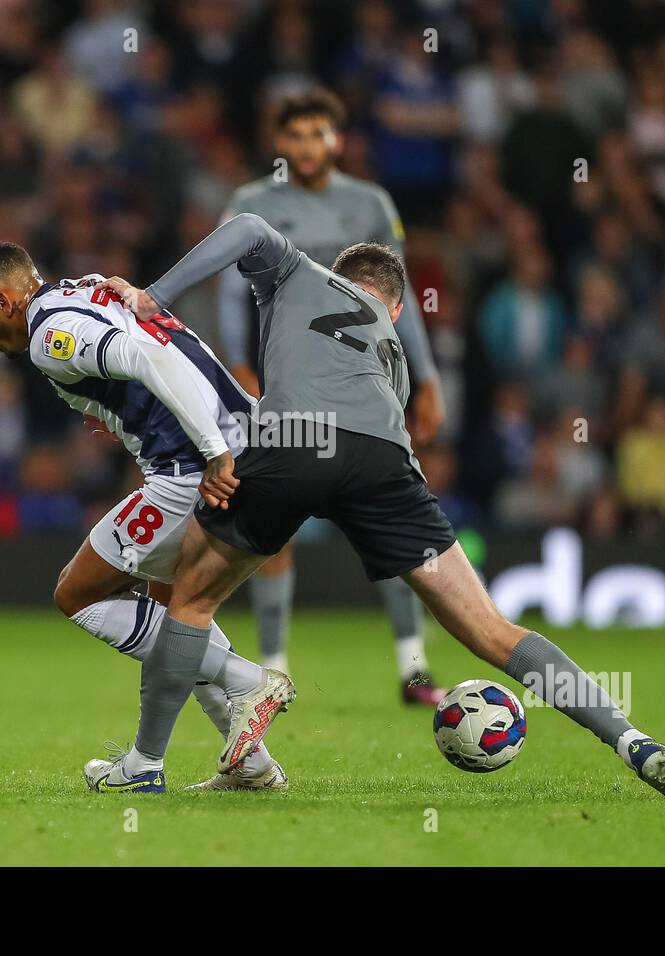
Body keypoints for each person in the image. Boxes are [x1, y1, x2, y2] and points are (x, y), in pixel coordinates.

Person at [90, 214, 665, 800]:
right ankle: (636, 744)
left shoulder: (299, 273)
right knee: (494, 632)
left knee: (191, 600)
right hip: (384, 462)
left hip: (294, 443)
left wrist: (153, 294)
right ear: (393, 306)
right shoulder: (393, 354)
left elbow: (248, 228)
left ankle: (144, 766)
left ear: (343, 277)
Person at [0, 241, 292, 792]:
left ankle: (246, 681)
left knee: (79, 593)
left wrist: (215, 450)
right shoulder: (82, 288)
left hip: (195, 474)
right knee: (179, 610)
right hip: (254, 449)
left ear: (4, 300)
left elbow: (151, 358)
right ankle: (238, 765)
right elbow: (52, 332)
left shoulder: (53, 341)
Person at [216, 88, 446, 704]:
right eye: (295, 135)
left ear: (336, 140)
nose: (307, 147)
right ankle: (273, 668)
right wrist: (240, 361)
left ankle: (413, 667)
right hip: (286, 384)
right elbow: (233, 295)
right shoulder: (251, 204)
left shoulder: (369, 203)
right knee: (276, 526)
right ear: (279, 143)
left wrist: (426, 377)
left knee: (388, 515)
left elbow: (399, 303)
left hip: (365, 384)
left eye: (318, 134)